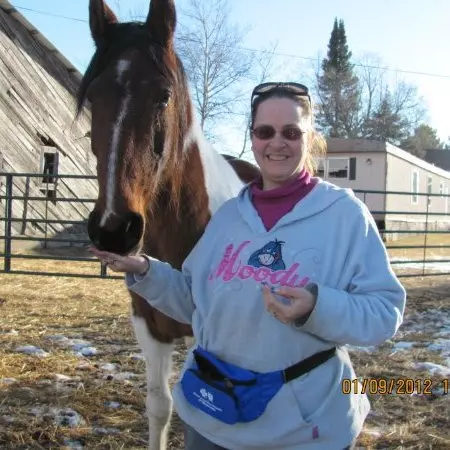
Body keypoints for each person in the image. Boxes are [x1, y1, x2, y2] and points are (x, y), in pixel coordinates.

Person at [91, 81, 406, 450]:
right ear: (253, 138)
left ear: (309, 137)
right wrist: (145, 271)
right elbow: (195, 301)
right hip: (212, 418)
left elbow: (384, 313)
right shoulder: (228, 218)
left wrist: (316, 308)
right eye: (264, 132)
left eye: (291, 132)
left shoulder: (344, 216)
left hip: (303, 431)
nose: (276, 143)